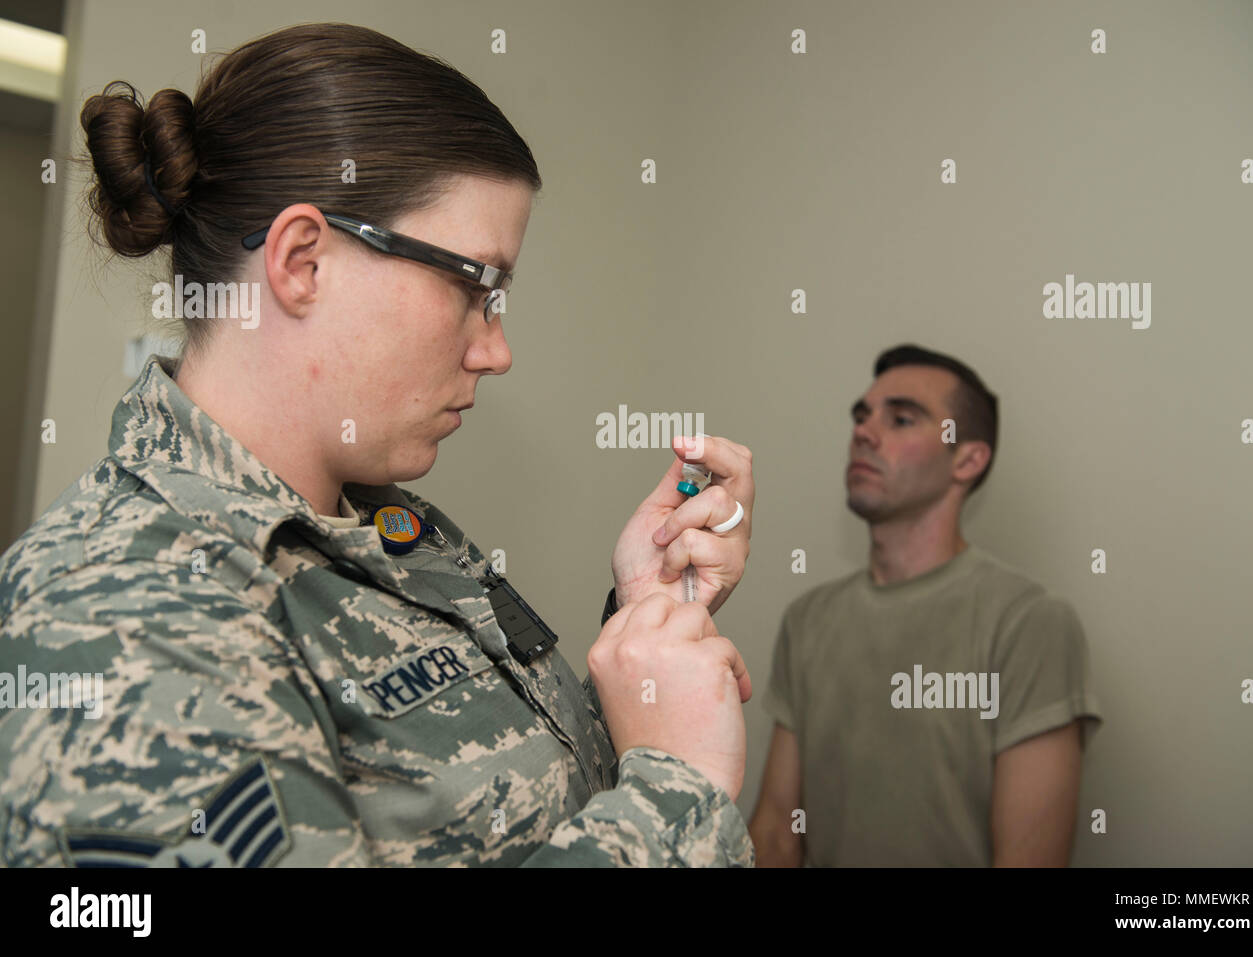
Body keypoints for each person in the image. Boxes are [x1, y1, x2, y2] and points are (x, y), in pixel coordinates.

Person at [0, 23, 757, 868]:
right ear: (303, 263)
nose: (496, 350)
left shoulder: (380, 524)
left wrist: (643, 631)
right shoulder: (124, 619)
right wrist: (677, 787)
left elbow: (493, 810)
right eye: (478, 286)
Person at [749, 344, 1103, 867]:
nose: (864, 432)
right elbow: (777, 832)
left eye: (902, 418)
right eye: (862, 416)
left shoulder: (1029, 623)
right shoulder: (808, 620)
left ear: (968, 458)